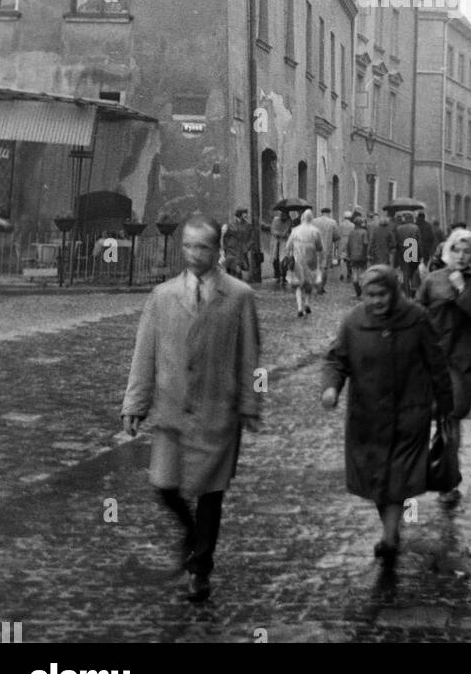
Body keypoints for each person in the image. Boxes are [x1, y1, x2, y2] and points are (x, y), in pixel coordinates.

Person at [121, 215, 261, 602]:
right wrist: (135, 402)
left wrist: (250, 403)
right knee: (164, 487)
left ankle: (201, 568)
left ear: (218, 250)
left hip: (219, 411)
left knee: (211, 496)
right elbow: (144, 351)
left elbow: (250, 357)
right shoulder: (163, 296)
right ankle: (189, 531)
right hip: (172, 410)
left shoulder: (239, 296)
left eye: (203, 246)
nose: (194, 254)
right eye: (188, 245)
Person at [321, 264, 453, 567]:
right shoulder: (353, 322)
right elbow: (335, 360)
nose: (377, 301)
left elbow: (437, 363)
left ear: (394, 292)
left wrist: (444, 406)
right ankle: (390, 529)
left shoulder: (417, 318)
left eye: (383, 294)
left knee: (398, 476)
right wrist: (331, 389)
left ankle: (391, 536)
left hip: (410, 415)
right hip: (366, 418)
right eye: (371, 295)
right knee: (377, 478)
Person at [417, 226, 471, 506]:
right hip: (431, 361)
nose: (461, 256)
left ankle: (449, 482)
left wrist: (462, 289)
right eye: (457, 250)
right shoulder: (432, 280)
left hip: (462, 364)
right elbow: (418, 313)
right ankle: (425, 471)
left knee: (451, 420)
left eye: (467, 251)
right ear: (448, 250)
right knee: (428, 419)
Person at [285, 209, 323, 319]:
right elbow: (320, 247)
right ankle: (307, 303)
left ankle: (299, 308)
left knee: (298, 284)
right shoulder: (315, 231)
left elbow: (288, 246)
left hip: (298, 260)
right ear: (311, 219)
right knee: (309, 282)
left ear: (302, 218)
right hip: (311, 260)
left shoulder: (295, 230)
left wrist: (291, 252)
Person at [220, 207, 256, 280]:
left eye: (246, 213)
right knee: (230, 269)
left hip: (241, 251)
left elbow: (252, 239)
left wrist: (246, 247)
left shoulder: (248, 226)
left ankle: (238, 284)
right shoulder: (230, 225)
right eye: (244, 213)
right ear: (240, 214)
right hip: (230, 250)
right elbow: (224, 238)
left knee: (238, 269)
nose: (246, 215)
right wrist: (224, 248)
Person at [393, 211, 422, 297]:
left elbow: (396, 243)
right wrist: (420, 254)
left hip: (403, 252)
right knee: (413, 273)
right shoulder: (416, 227)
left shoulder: (399, 228)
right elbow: (419, 242)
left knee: (405, 273)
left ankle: (407, 293)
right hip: (413, 252)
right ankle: (413, 290)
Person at [313, 207, 340, 295]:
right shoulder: (332, 222)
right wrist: (336, 250)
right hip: (327, 249)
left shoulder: (314, 221)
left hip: (315, 248)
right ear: (329, 213)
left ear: (321, 213)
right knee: (324, 268)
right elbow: (336, 237)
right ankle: (321, 287)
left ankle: (317, 285)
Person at [346, 216, 369, 298]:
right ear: (361, 223)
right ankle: (362, 290)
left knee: (355, 272)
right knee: (362, 272)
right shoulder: (364, 232)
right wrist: (367, 253)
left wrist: (348, 254)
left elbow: (348, 245)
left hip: (353, 255)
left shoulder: (351, 232)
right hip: (362, 255)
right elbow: (366, 243)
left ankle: (356, 287)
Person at [269, 207, 289, 288]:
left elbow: (288, 230)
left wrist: (285, 234)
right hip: (275, 241)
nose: (283, 216)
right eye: (282, 214)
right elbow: (273, 230)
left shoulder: (289, 220)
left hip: (284, 242)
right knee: (275, 259)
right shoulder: (276, 220)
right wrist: (280, 234)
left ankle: (284, 276)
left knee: (284, 260)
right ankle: (277, 274)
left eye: (285, 214)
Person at [337, 210, 356, 282]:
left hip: (342, 240)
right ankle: (349, 272)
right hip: (350, 241)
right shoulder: (353, 225)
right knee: (349, 257)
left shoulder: (341, 224)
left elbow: (338, 233)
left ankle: (341, 272)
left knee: (342, 257)